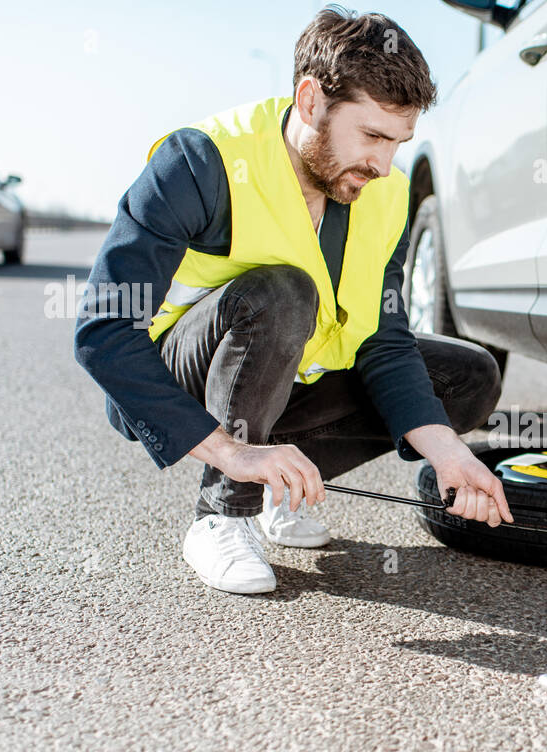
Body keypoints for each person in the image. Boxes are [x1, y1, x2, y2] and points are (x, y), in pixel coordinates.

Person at [73, 5, 513, 595]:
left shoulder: (386, 195)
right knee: (281, 292)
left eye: (399, 141)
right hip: (181, 374)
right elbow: (104, 332)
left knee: (468, 376)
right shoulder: (200, 163)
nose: (384, 164)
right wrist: (232, 455)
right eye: (373, 136)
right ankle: (223, 514)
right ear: (310, 102)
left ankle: (280, 485)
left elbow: (383, 340)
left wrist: (448, 454)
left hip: (289, 379)